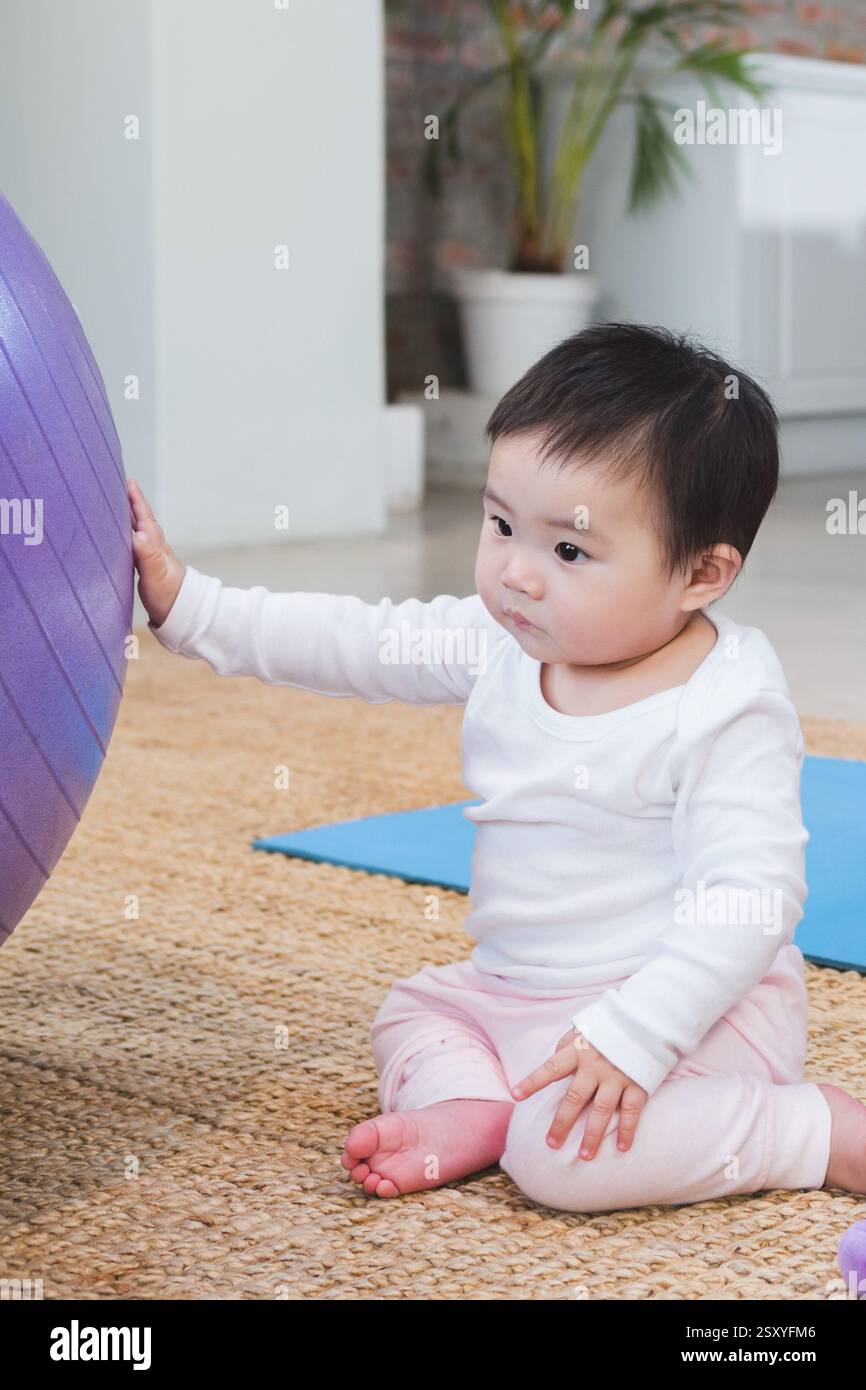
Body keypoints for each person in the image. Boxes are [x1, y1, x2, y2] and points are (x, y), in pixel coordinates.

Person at [129, 322, 866, 1212]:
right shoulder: (503, 642)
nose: (516, 573)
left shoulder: (726, 701)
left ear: (702, 574)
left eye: (568, 551)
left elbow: (751, 900)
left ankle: (815, 1128)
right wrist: (190, 604)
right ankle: (474, 1109)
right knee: (414, 1011)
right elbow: (357, 641)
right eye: (501, 524)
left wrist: (640, 1033)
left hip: (696, 1013)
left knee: (564, 1162)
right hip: (519, 992)